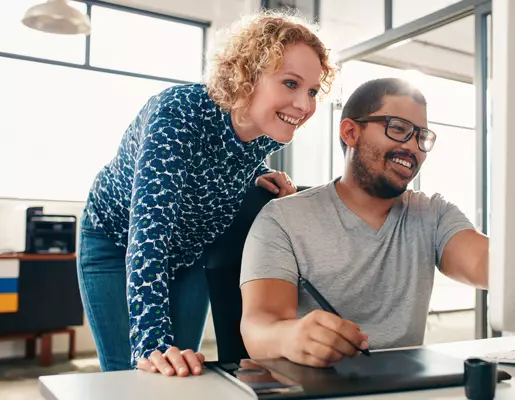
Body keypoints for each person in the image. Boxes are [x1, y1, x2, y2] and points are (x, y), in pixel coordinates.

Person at [76, 10, 335, 376]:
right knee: (134, 374)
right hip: (117, 244)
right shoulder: (177, 116)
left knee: (182, 371)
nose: (305, 105)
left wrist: (256, 174)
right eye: (290, 84)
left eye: (311, 91)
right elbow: (149, 235)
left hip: (188, 254)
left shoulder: (261, 131)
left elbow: (217, 159)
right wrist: (151, 343)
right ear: (247, 75)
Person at [239, 77, 488, 368]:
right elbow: (259, 327)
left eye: (421, 137)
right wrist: (290, 336)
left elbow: (487, 263)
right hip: (317, 387)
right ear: (350, 132)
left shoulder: (433, 213)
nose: (414, 148)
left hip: (407, 390)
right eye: (398, 129)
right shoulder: (282, 219)